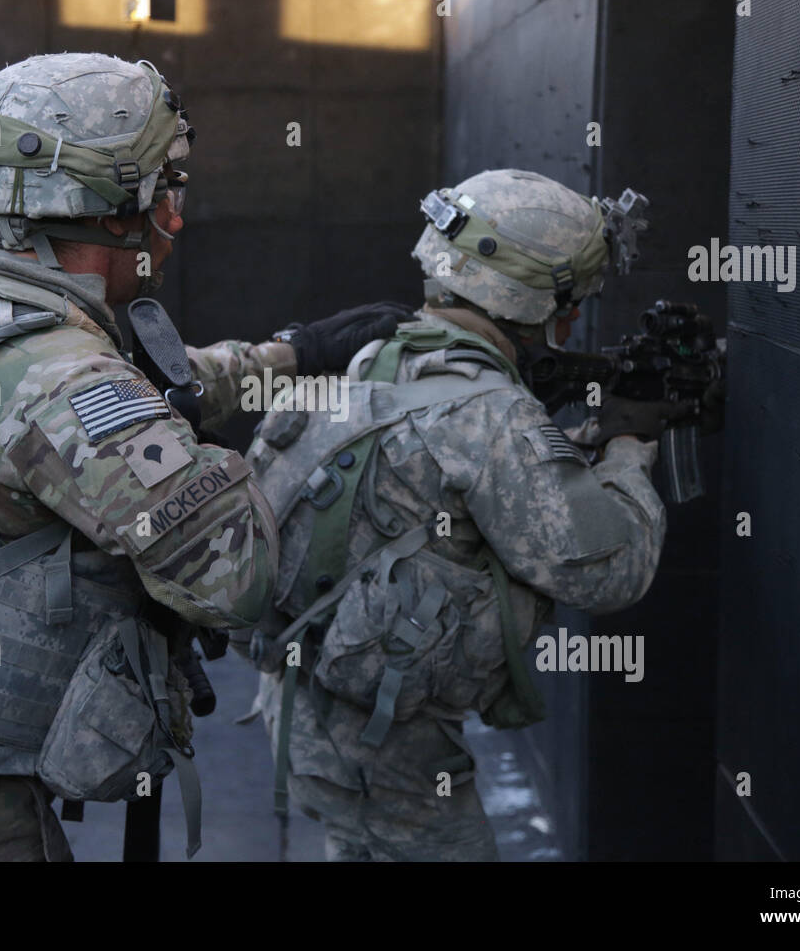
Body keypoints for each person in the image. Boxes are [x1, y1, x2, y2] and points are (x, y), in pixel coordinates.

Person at [0, 52, 404, 862]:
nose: (177, 218)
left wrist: (295, 355)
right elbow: (235, 573)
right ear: (120, 209)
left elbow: (148, 391)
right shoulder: (59, 371)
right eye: (167, 190)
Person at [240, 168, 673, 861]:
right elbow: (609, 572)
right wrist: (627, 452)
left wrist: (571, 451)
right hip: (389, 750)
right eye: (572, 306)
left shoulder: (372, 361)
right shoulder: (491, 414)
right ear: (544, 305)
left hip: (309, 707)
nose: (572, 325)